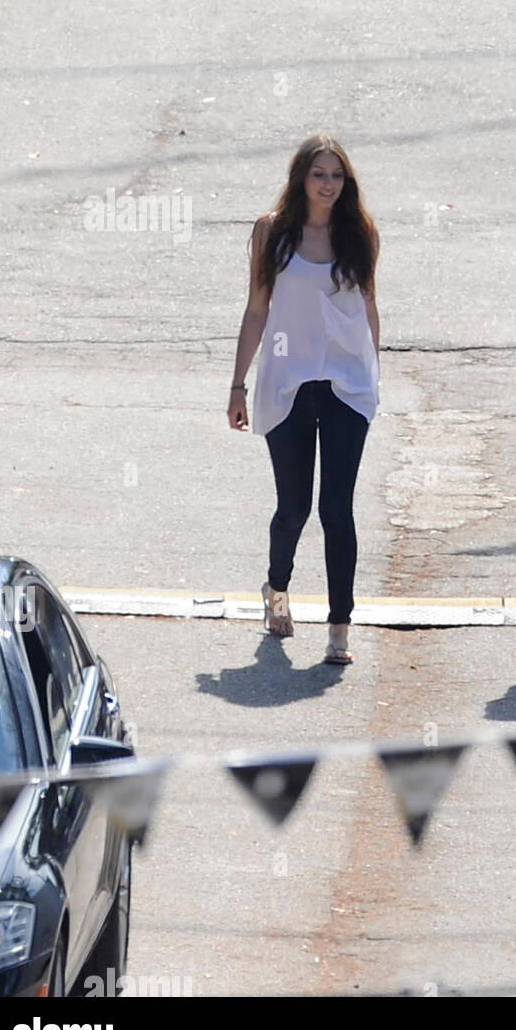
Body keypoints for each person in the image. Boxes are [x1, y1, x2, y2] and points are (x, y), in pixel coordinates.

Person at [228, 135, 380, 666]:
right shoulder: (272, 232)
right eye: (319, 174)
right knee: (293, 507)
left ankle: (340, 624)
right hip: (287, 383)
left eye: (337, 175)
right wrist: (237, 384)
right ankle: (277, 589)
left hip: (345, 387)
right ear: (301, 178)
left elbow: (368, 307)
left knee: (336, 508)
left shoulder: (359, 232)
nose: (328, 184)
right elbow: (256, 310)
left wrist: (373, 376)